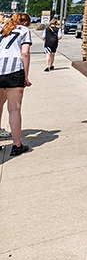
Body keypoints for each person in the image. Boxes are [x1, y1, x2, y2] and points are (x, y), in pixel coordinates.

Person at [0, 12, 32, 156]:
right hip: (13, 70)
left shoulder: (2, 28)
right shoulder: (24, 31)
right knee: (14, 109)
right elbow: (24, 53)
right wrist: (25, 75)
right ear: (24, 22)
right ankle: (16, 145)